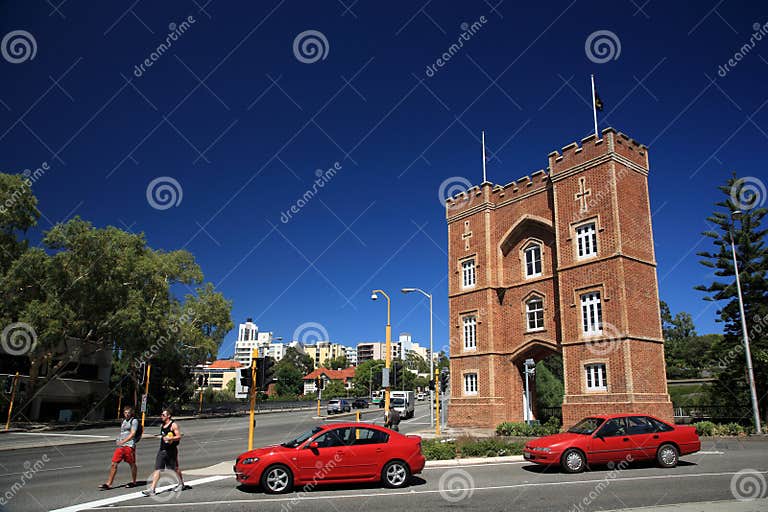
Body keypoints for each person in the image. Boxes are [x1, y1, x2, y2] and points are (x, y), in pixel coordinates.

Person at [142, 409, 188, 496]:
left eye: (163, 415)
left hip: (171, 451)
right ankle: (152, 489)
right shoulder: (162, 425)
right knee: (157, 469)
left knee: (175, 468)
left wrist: (170, 438)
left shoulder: (173, 425)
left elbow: (178, 436)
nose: (161, 416)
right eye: (161, 415)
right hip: (162, 450)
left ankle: (181, 484)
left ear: (168, 416)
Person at [100, 406, 139, 490]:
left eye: (129, 412)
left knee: (132, 464)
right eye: (125, 412)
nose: (127, 414)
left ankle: (134, 481)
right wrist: (119, 440)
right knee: (114, 463)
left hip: (129, 445)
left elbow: (132, 434)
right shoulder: (124, 421)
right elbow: (122, 432)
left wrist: (124, 441)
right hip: (121, 446)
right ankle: (109, 484)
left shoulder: (134, 421)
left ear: (131, 413)